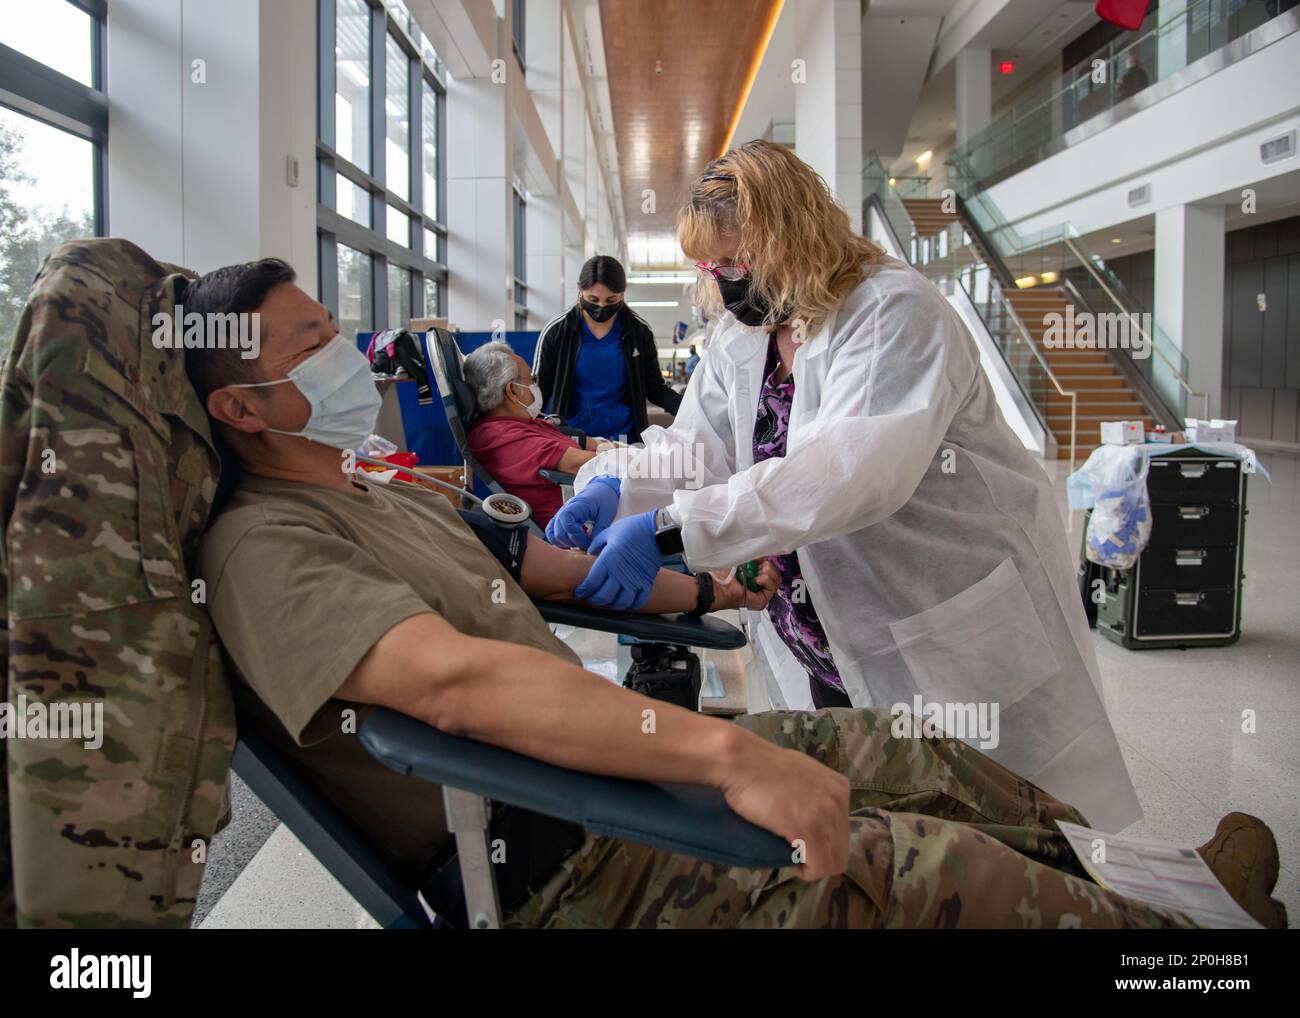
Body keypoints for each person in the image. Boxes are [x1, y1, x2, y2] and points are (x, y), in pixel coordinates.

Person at [179, 257, 1290, 930]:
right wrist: (724, 752)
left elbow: (543, 569)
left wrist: (712, 580)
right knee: (932, 864)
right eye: (311, 345)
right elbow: (458, 687)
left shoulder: (381, 486)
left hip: (604, 765)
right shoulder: (262, 546)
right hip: (555, 851)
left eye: (335, 331)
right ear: (239, 408)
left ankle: (1154, 882)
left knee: (914, 751)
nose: (344, 358)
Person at [548, 139, 1142, 832]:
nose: (726, 279)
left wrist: (669, 529)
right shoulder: (747, 340)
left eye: (738, 258)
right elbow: (694, 448)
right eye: (712, 265)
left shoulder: (894, 313)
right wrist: (610, 485)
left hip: (947, 620)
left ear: (792, 231)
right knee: (887, 832)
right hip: (829, 635)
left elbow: (847, 475)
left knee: (1009, 832)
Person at [533, 255, 681, 443]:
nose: (601, 307)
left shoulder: (639, 332)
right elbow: (539, 392)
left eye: (611, 300)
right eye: (593, 299)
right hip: (573, 438)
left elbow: (654, 388)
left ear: (623, 292)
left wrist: (689, 407)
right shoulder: (557, 332)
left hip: (624, 438)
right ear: (579, 288)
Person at [464, 342, 608, 528]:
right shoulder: (502, 437)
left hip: (600, 504)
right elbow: (588, 464)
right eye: (531, 379)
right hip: (583, 524)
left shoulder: (524, 422)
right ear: (513, 390)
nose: (535, 385)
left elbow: (593, 448)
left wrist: (620, 450)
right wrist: (645, 460)